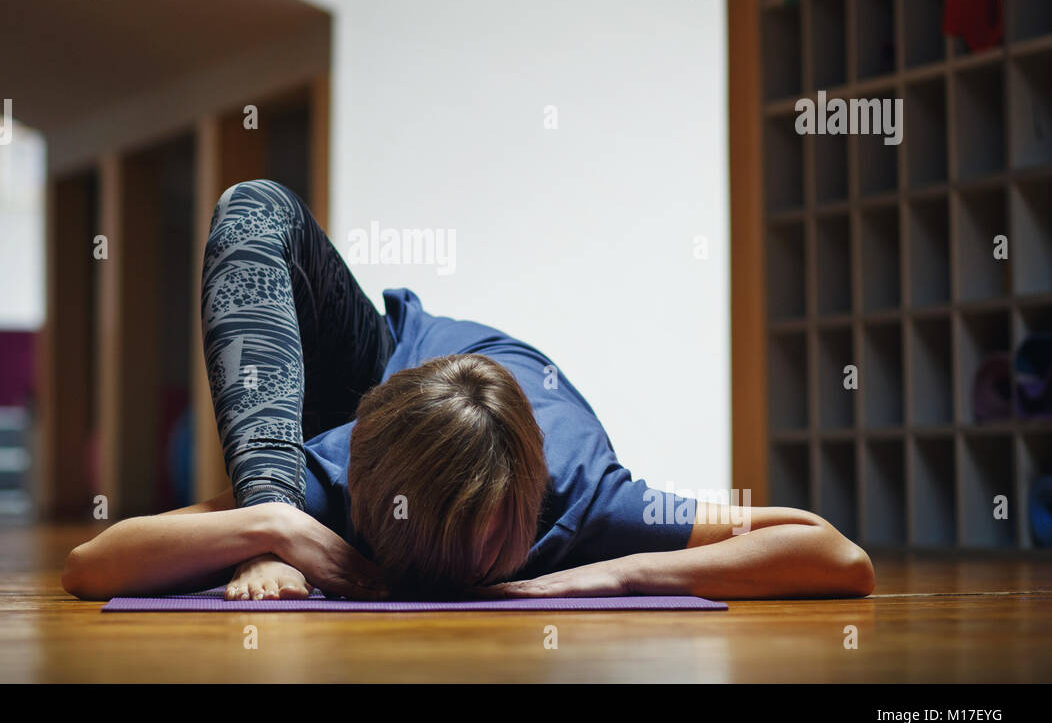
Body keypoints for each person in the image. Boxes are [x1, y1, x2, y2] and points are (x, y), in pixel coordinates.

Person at [62, 180, 874, 602]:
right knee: (253, 210)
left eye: (489, 558)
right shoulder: (340, 474)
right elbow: (91, 565)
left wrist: (622, 574)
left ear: (532, 508)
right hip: (383, 372)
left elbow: (835, 553)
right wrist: (269, 521)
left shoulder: (594, 501)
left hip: (464, 403)